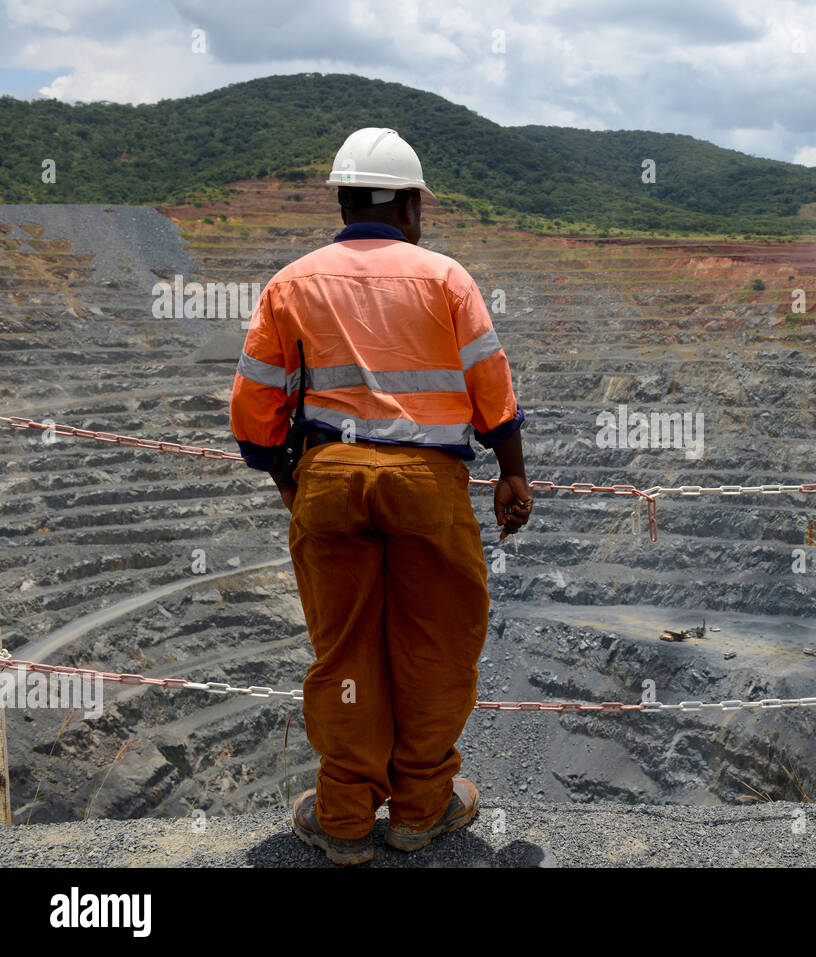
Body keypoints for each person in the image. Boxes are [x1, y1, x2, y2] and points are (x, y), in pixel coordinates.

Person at [229, 128, 531, 865]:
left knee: (345, 650)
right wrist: (513, 472)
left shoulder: (291, 282)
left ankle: (343, 817)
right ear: (407, 206)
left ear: (342, 198)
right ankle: (421, 808)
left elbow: (254, 409)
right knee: (436, 647)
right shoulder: (446, 279)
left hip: (329, 481)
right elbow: (492, 391)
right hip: (429, 485)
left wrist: (288, 479)